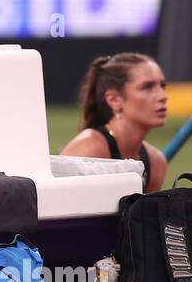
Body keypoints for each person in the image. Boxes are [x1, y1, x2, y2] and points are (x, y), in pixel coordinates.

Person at [60, 53, 168, 193]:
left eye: (162, 86)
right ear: (114, 100)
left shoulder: (156, 162)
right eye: (147, 87)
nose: (163, 96)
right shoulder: (88, 151)